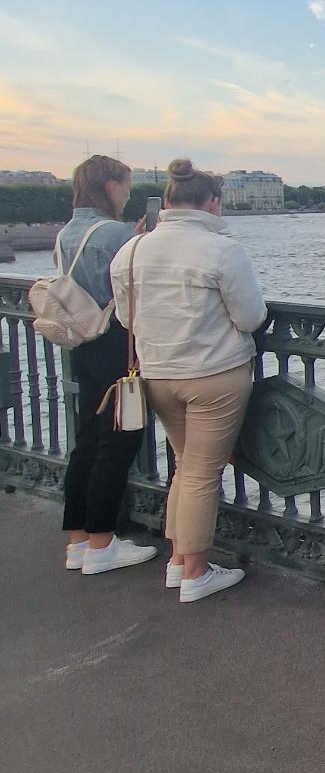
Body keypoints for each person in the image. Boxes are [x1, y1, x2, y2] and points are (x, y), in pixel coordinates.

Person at [111, 158, 267, 604]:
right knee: (202, 472)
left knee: (185, 465)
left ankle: (179, 561)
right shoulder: (221, 250)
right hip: (214, 376)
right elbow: (250, 316)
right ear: (213, 202)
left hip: (158, 374)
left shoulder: (133, 250)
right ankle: (196, 571)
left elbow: (127, 317)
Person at [56, 155, 153, 576]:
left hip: (83, 343)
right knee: (119, 440)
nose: (129, 193)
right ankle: (102, 543)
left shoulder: (66, 233)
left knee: (88, 440)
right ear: (111, 187)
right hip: (116, 342)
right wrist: (141, 242)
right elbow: (135, 284)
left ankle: (77, 539)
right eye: (126, 186)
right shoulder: (115, 232)